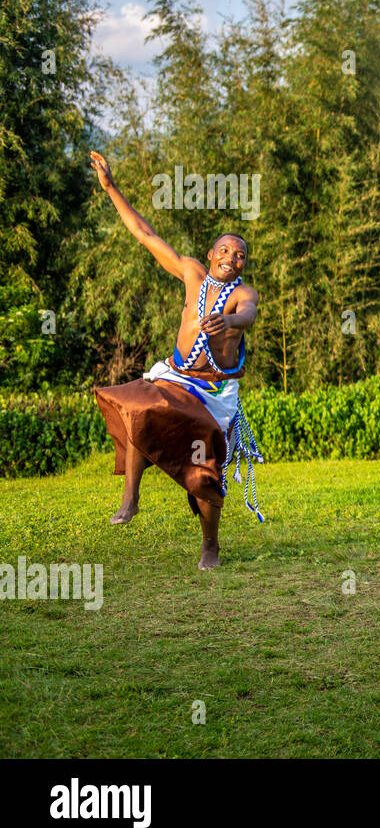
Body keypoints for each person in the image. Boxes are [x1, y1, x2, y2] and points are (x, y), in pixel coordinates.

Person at [88, 152, 264, 570]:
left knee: (203, 470)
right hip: (175, 375)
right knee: (135, 406)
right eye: (224, 249)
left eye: (239, 255)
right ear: (210, 252)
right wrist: (111, 188)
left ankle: (210, 545)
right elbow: (145, 234)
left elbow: (249, 315)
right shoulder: (191, 272)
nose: (230, 257)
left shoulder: (243, 294)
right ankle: (130, 498)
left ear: (243, 265)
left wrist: (229, 322)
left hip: (213, 393)